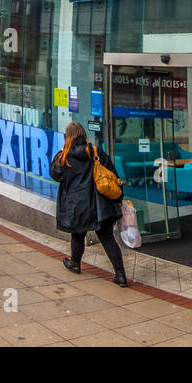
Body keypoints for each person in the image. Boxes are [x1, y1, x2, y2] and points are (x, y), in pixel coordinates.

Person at [49, 121, 128, 287]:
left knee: (77, 234)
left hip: (77, 205)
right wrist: (119, 199)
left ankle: (75, 263)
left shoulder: (63, 156)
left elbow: (55, 175)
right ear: (83, 135)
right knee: (107, 238)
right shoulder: (95, 152)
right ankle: (120, 275)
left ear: (68, 137)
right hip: (100, 205)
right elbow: (113, 175)